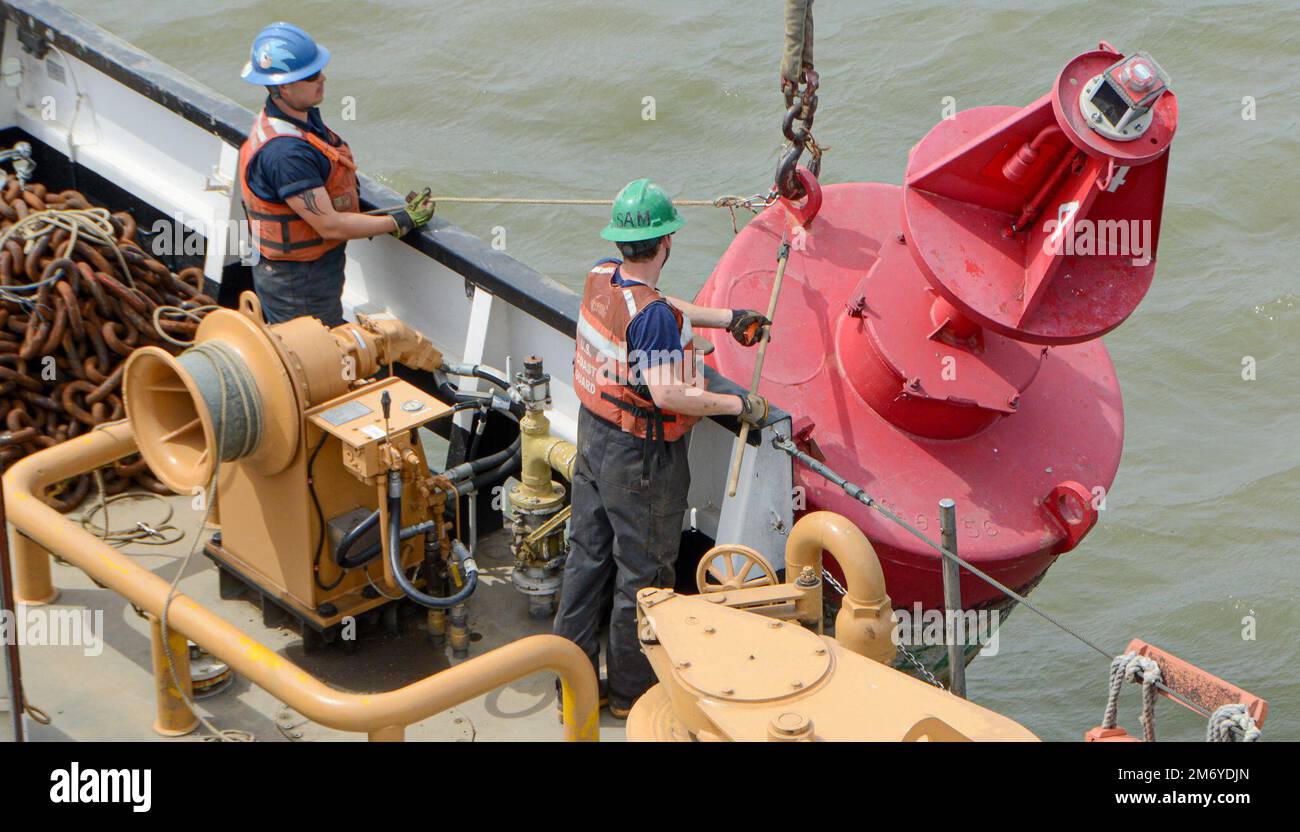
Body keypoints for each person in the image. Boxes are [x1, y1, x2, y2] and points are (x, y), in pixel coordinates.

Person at [554, 178, 770, 717]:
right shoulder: (649, 317)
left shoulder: (602, 277)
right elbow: (669, 391)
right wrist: (738, 406)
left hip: (595, 437)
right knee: (644, 578)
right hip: (641, 459)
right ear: (666, 241)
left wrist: (726, 319)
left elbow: (653, 304)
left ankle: (570, 684)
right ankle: (632, 696)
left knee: (587, 557)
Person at [237, 22, 434, 326]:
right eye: (311, 75)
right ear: (282, 87)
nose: (322, 78)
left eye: (319, 70)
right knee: (315, 356)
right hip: (297, 283)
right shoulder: (286, 155)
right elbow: (329, 225)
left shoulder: (298, 117)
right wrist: (400, 221)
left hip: (311, 271)